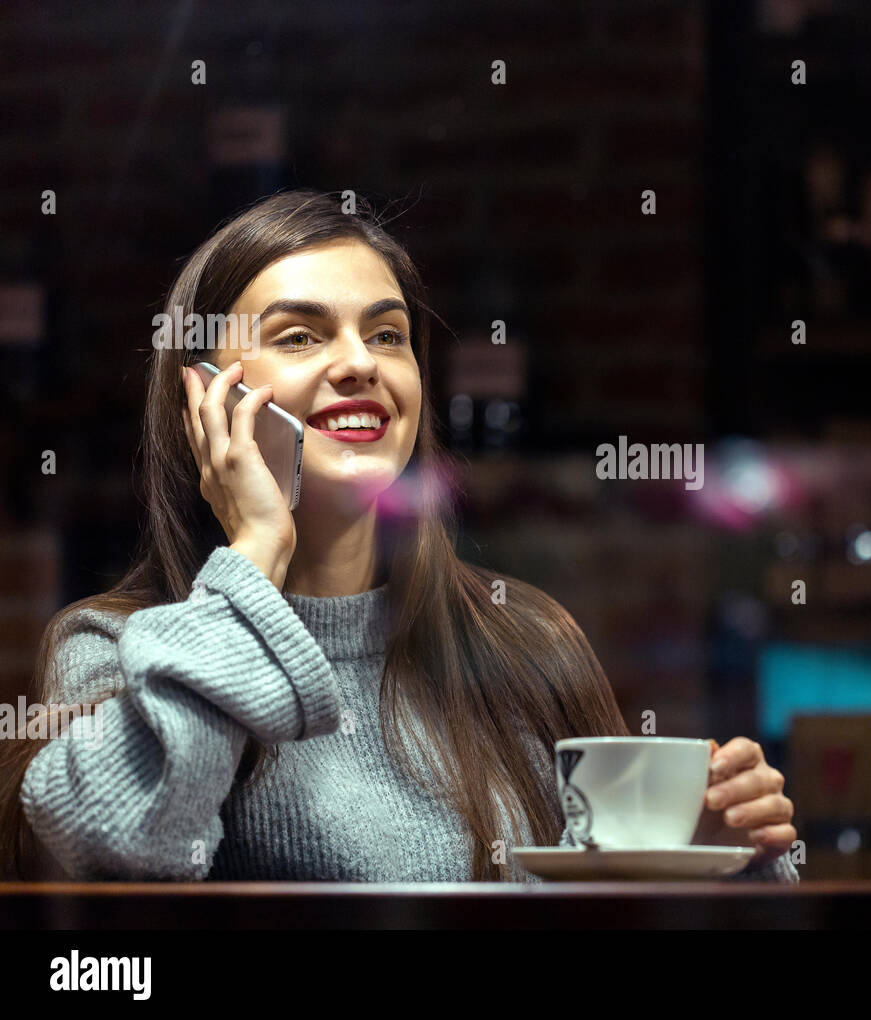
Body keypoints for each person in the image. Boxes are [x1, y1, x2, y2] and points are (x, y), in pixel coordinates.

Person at [0, 189, 799, 883]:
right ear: (203, 402)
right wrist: (255, 550)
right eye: (300, 336)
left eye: (387, 336)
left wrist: (716, 858)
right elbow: (118, 843)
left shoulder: (525, 644)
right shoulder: (114, 648)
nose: (361, 364)